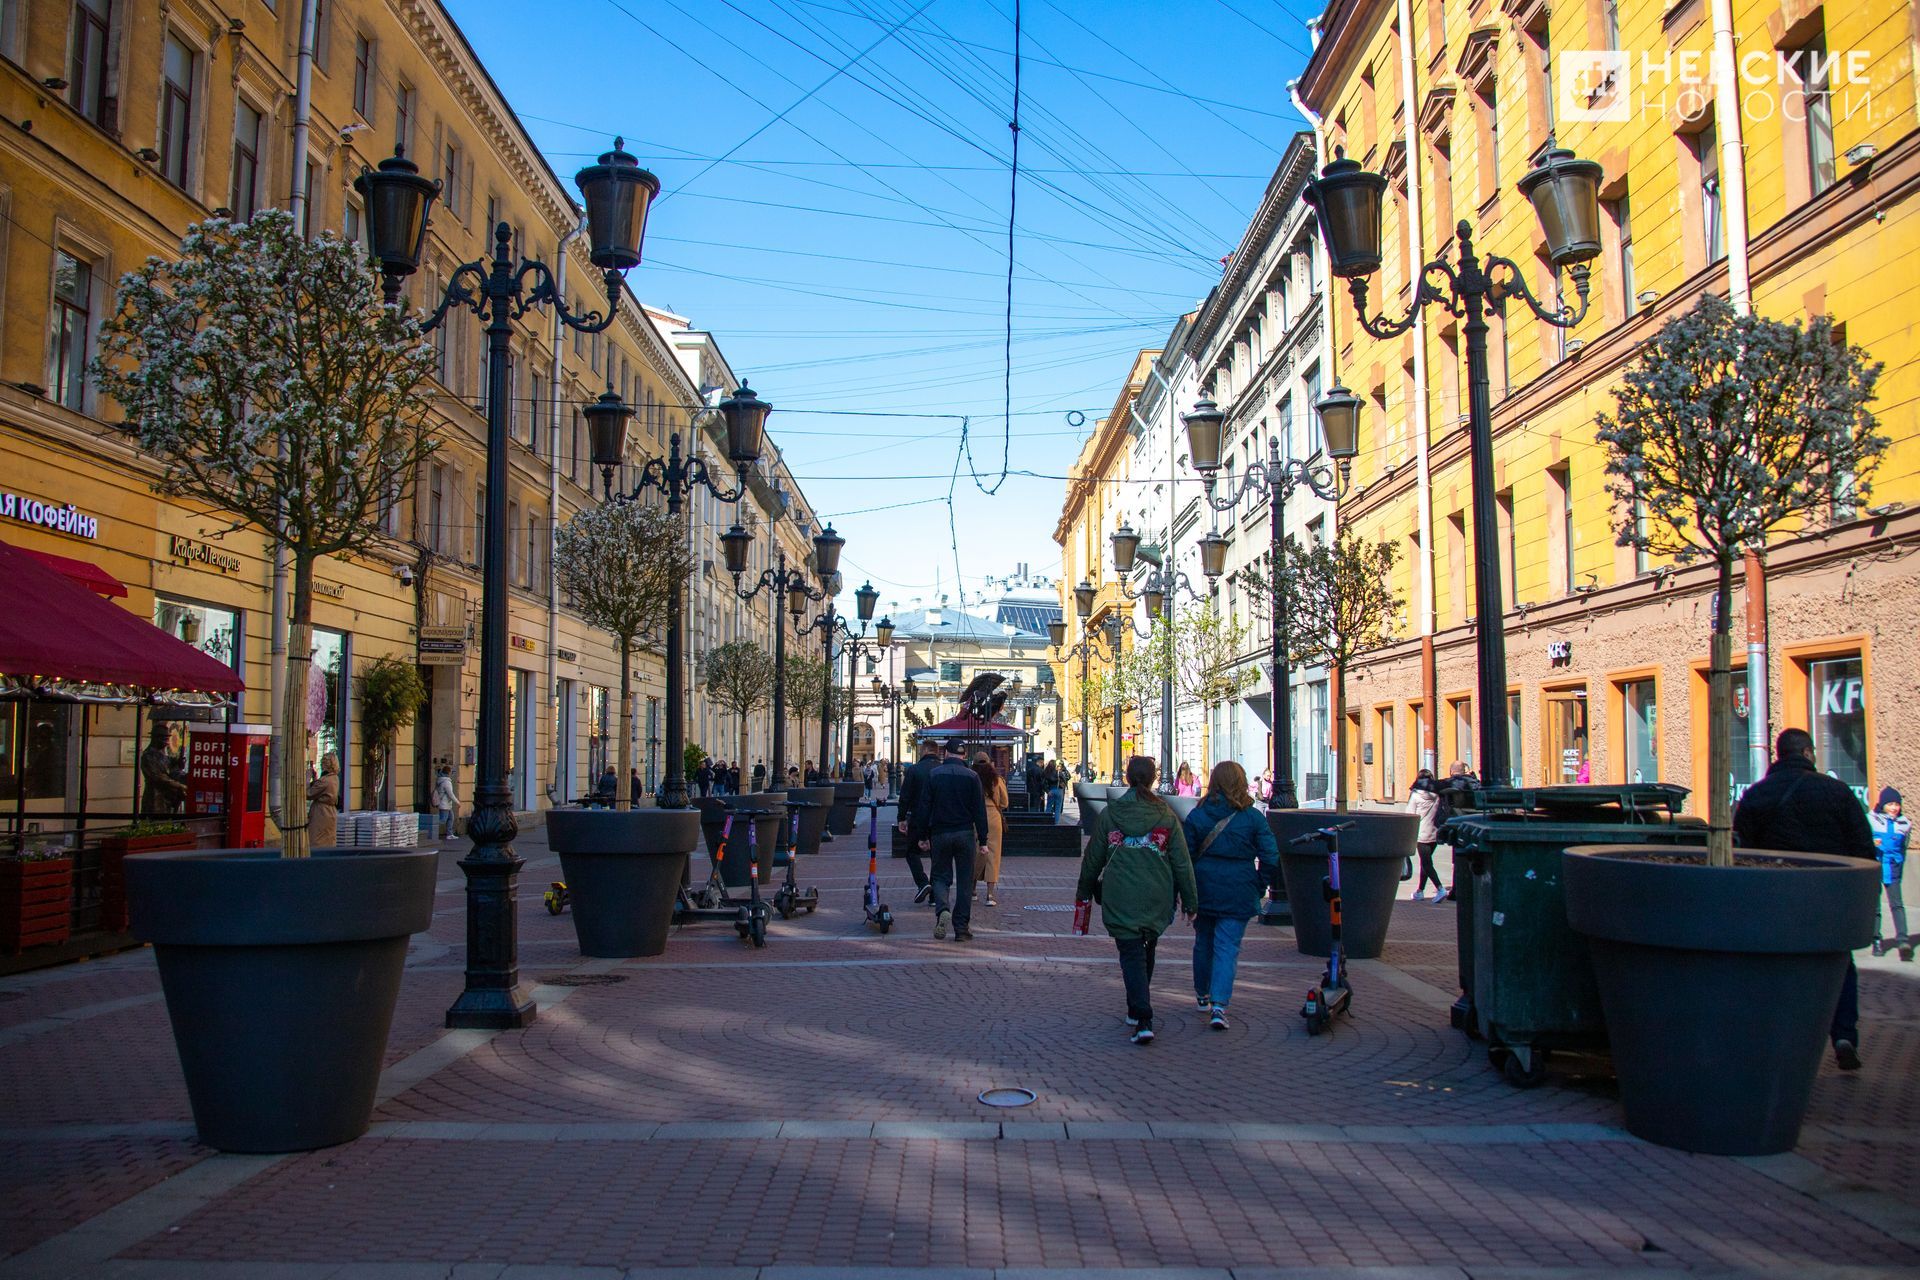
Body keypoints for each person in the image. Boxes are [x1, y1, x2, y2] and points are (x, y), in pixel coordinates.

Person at [1734, 727, 1877, 1070]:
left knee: (1779, 967)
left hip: (1777, 898)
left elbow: (1740, 852)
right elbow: (1864, 849)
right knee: (1839, 964)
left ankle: (1783, 1039)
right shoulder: (1838, 792)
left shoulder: (1757, 795)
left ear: (1779, 756)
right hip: (1830, 895)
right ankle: (1843, 1035)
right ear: (1809, 753)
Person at [1077, 756, 1197, 1045]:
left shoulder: (1111, 814)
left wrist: (1084, 893)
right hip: (1158, 894)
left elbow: (1093, 859)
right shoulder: (1166, 816)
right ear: (1154, 779)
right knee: (1147, 945)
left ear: (1128, 778)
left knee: (1131, 952)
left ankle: (1142, 1015)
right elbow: (1182, 863)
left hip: (1120, 895)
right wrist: (1191, 901)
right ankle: (1138, 1007)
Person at [1181, 760, 1277, 1031]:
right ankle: (1219, 1005)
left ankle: (1202, 993)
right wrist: (1259, 886)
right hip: (1239, 886)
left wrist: (1185, 891)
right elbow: (1270, 856)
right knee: (1227, 947)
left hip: (1204, 886)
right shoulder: (1252, 817)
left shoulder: (1198, 814)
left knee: (1203, 942)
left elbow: (1185, 857)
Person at [910, 742, 989, 941]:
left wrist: (922, 836)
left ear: (945, 753)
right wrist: (984, 839)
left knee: (939, 877)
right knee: (964, 881)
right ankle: (961, 928)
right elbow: (979, 810)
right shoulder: (973, 777)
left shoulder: (934, 775)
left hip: (940, 833)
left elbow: (924, 807)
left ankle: (942, 910)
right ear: (964, 756)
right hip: (964, 833)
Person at [894, 744, 940, 903]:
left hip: (918, 817)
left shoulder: (914, 770)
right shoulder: (942, 769)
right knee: (937, 857)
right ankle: (935, 895)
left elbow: (905, 795)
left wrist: (901, 818)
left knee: (912, 852)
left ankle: (922, 882)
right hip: (938, 820)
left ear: (926, 750)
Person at [1870, 787, 1912, 962]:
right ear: (1883, 805)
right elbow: (1862, 841)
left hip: (1893, 867)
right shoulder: (1871, 820)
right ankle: (1876, 941)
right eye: (1890, 804)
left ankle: (1903, 941)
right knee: (1876, 906)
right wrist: (1872, 843)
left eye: (1897, 804)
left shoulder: (1904, 824)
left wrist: (1899, 867)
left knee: (1897, 904)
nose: (1894, 808)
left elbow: (1904, 847)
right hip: (1876, 865)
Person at [1433, 761, 1480, 901]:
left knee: (1458, 857)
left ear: (1451, 771)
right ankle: (1470, 887)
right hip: (1474, 824)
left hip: (1455, 824)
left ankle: (1458, 889)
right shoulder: (1474, 782)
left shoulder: (1447, 783)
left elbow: (1432, 786)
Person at [974, 752, 1008, 906]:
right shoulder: (997, 780)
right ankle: (989, 895)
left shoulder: (971, 778)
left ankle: (973, 890)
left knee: (976, 854)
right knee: (993, 856)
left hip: (975, 819)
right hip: (994, 819)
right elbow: (1004, 802)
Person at [1406, 769, 1445, 901]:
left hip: (1421, 834)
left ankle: (1440, 888)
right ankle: (1420, 891)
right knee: (1426, 862)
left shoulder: (1415, 795)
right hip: (1434, 833)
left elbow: (1410, 815)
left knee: (1427, 864)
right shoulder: (1437, 795)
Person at [139, 723, 188, 815]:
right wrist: (181, 786)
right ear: (155, 739)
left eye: (167, 739)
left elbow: (174, 769)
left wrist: (179, 762)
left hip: (167, 798)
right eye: (164, 739)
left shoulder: (163, 755)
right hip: (155, 798)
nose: (167, 742)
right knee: (155, 823)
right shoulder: (148, 755)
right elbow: (158, 777)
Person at [307, 752, 341, 847]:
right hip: (330, 813)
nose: (321, 765)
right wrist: (315, 779)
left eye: (323, 763)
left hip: (321, 813)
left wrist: (307, 779)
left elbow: (308, 794)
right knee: (328, 841)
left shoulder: (325, 781)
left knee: (317, 841)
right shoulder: (334, 778)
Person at [432, 764, 459, 840]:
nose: (452, 774)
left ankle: (449, 834)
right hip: (444, 804)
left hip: (445, 804)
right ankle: (429, 825)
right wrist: (457, 802)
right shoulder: (446, 782)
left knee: (451, 818)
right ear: (448, 772)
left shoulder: (440, 780)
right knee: (442, 820)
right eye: (451, 772)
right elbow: (450, 794)